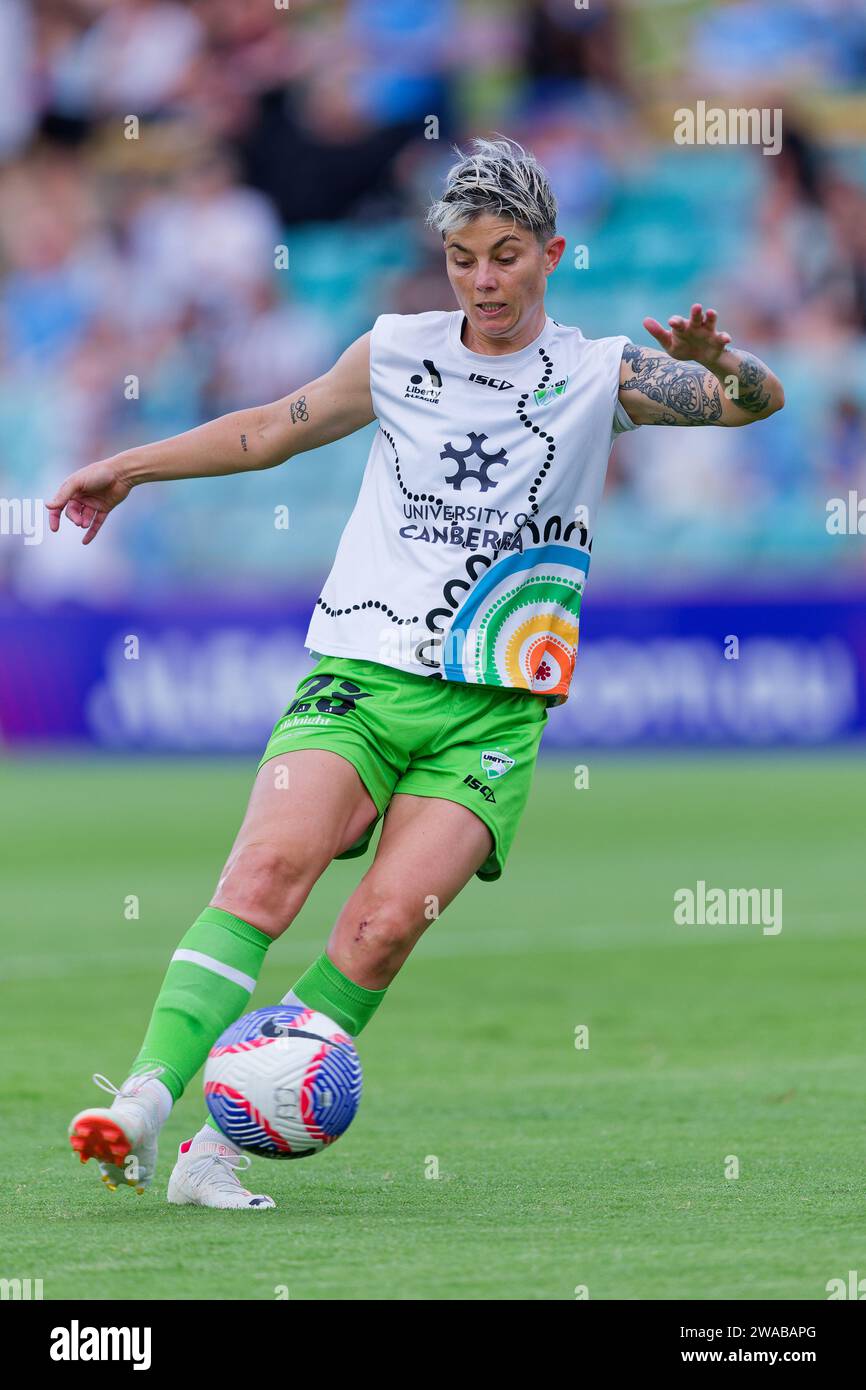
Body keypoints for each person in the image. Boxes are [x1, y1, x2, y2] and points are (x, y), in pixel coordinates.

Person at [49, 138, 785, 1209]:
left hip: (491, 706)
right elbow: (266, 432)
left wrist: (721, 364)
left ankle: (222, 1143)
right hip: (361, 671)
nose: (482, 280)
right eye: (461, 258)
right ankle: (147, 1101)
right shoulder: (395, 350)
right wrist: (128, 464)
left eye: (504, 255)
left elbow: (749, 404)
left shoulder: (599, 371)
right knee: (265, 875)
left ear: (551, 254)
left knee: (382, 929)